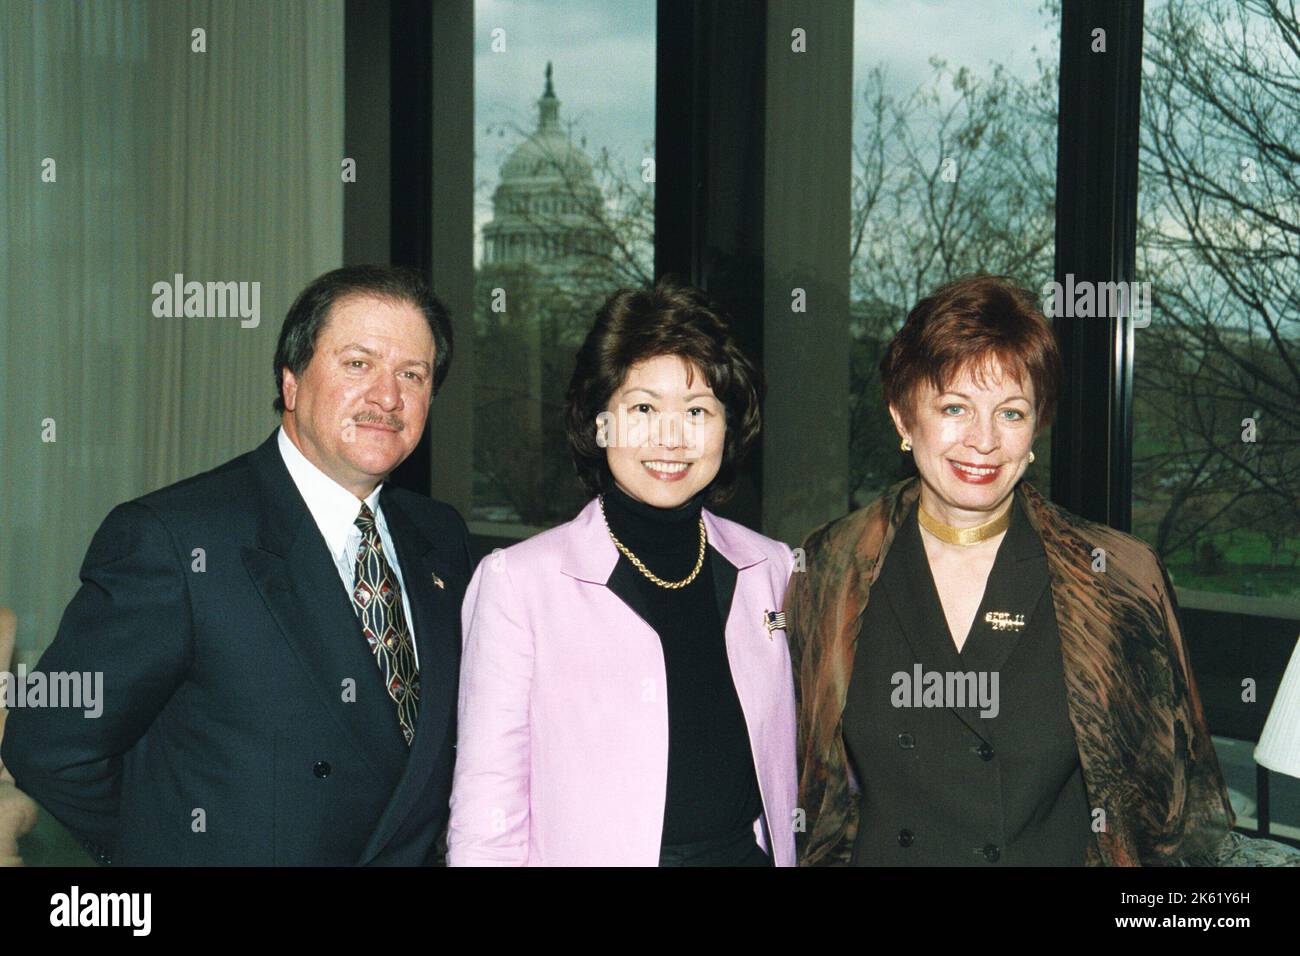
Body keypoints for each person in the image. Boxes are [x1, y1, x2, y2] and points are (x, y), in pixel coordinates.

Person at [1, 265, 473, 865]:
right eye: (358, 363)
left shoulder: (442, 538)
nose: (388, 396)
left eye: (413, 373)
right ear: (292, 380)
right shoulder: (175, 538)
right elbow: (50, 744)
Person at [785, 274, 1233, 866]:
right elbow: (803, 795)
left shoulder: (1115, 580)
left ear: (1036, 429)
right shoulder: (830, 570)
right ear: (901, 417)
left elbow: (1175, 823)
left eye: (1011, 413)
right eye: (954, 407)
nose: (984, 441)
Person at [448, 283, 797, 866]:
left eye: (697, 411)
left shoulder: (774, 570)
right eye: (642, 408)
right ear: (599, 422)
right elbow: (489, 818)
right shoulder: (519, 584)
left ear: (726, 429)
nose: (670, 437)